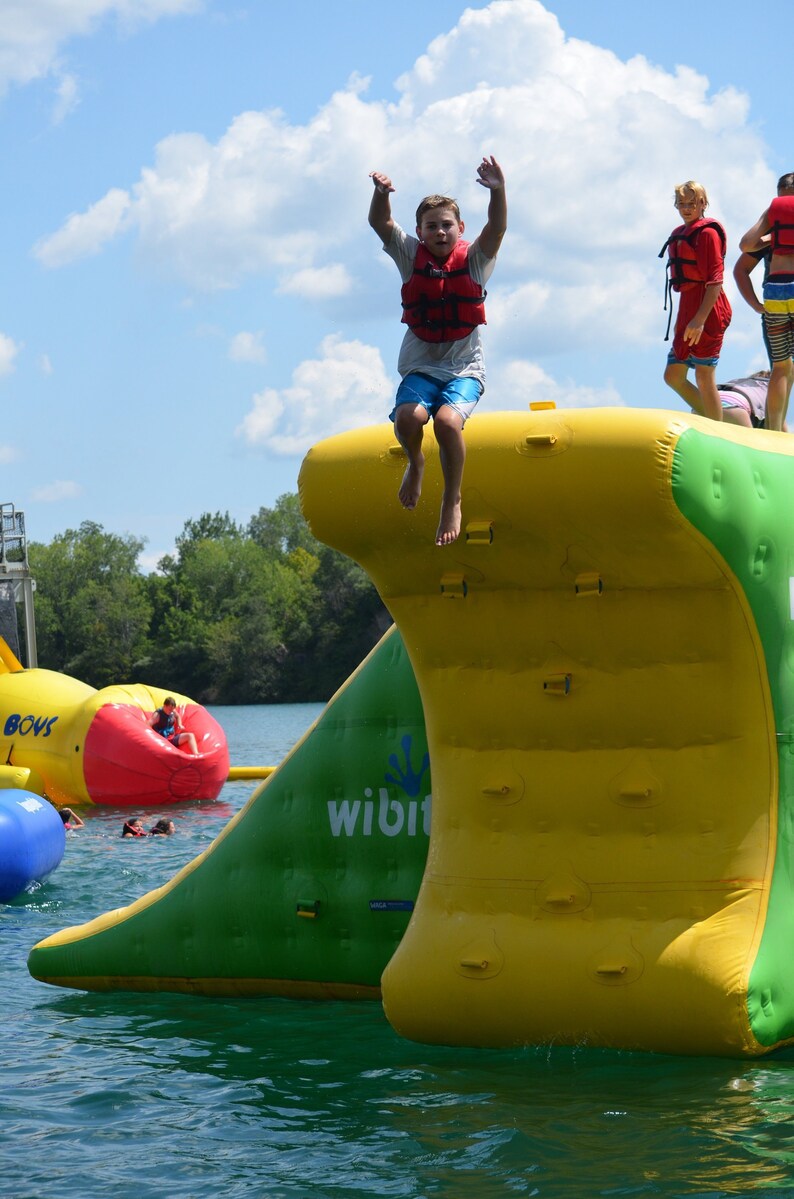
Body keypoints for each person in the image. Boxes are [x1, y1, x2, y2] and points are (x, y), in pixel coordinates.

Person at [368, 156, 507, 546]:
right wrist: (381, 194)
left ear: (460, 229)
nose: (440, 232)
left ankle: (452, 497)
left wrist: (498, 191)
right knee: (409, 419)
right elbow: (380, 223)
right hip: (420, 366)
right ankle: (416, 463)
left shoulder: (477, 260)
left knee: (447, 423)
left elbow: (497, 227)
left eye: (447, 225)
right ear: (420, 231)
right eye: (432, 226)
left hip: (465, 368)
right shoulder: (410, 256)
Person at [660, 180, 732, 422]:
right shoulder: (678, 234)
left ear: (703, 203)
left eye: (691, 203)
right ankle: (712, 417)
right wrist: (688, 318)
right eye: (681, 204)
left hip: (709, 307)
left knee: (704, 374)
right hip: (688, 306)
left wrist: (700, 319)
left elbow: (715, 281)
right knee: (673, 375)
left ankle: (718, 430)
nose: (686, 208)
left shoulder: (708, 233)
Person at [739, 174, 794, 431]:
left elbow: (745, 245)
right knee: (784, 369)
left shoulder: (774, 220)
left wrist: (773, 238)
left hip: (775, 294)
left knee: (781, 368)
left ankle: (774, 432)